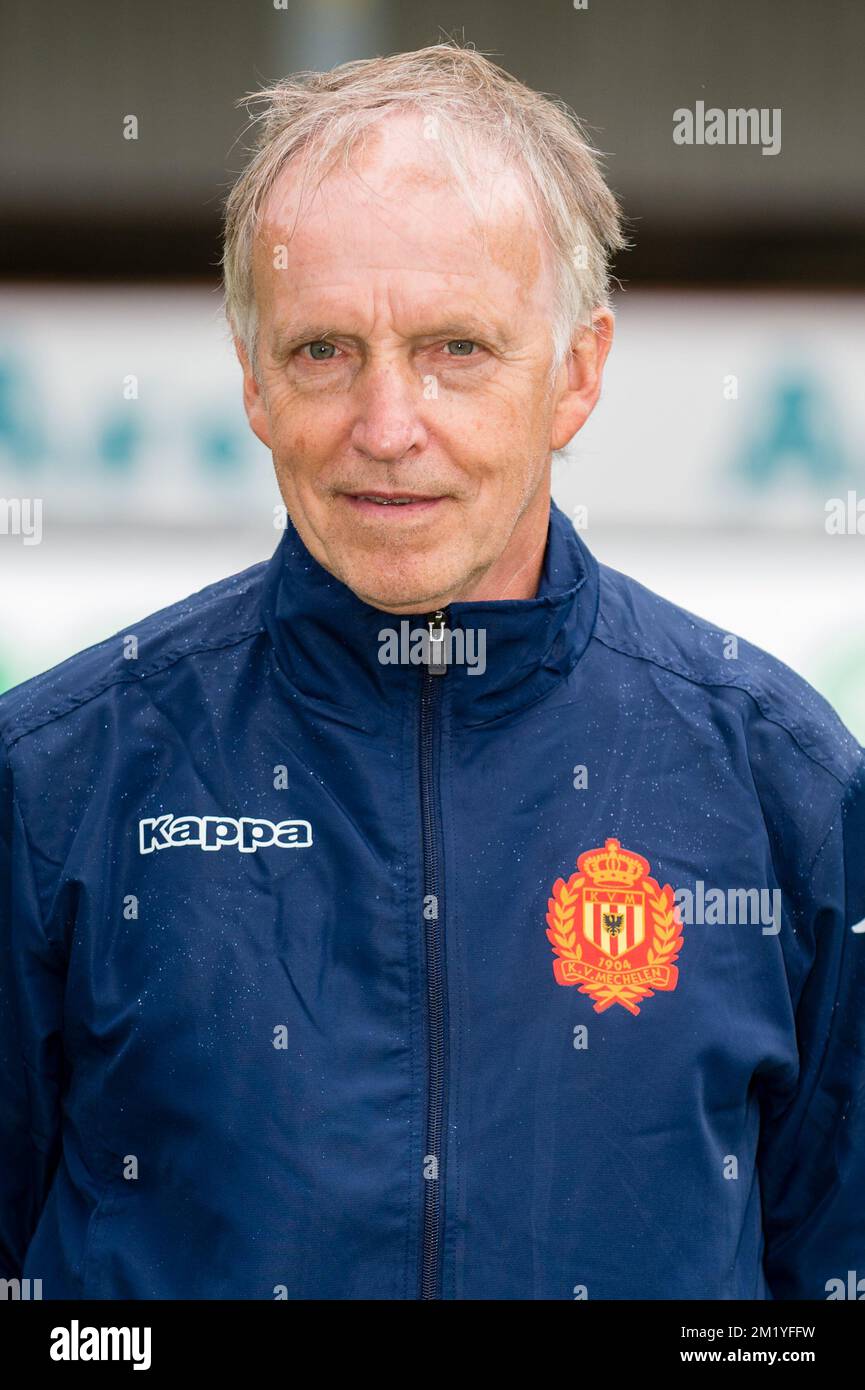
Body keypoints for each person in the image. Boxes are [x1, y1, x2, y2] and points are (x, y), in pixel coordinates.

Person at [1, 43, 863, 1301]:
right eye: (322, 352)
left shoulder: (781, 786)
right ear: (250, 376)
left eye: (457, 348)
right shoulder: (55, 781)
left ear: (575, 372)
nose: (388, 425)